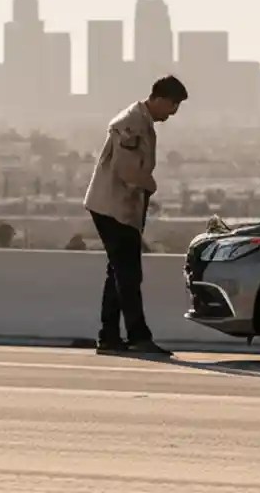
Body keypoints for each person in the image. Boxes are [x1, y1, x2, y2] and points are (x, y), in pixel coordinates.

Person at [83, 74, 187, 356]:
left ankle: (109, 337)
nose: (174, 112)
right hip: (112, 207)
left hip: (121, 207)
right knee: (128, 273)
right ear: (160, 99)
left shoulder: (142, 121)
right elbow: (126, 170)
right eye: (173, 105)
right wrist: (149, 183)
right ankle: (138, 337)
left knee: (117, 271)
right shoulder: (131, 123)